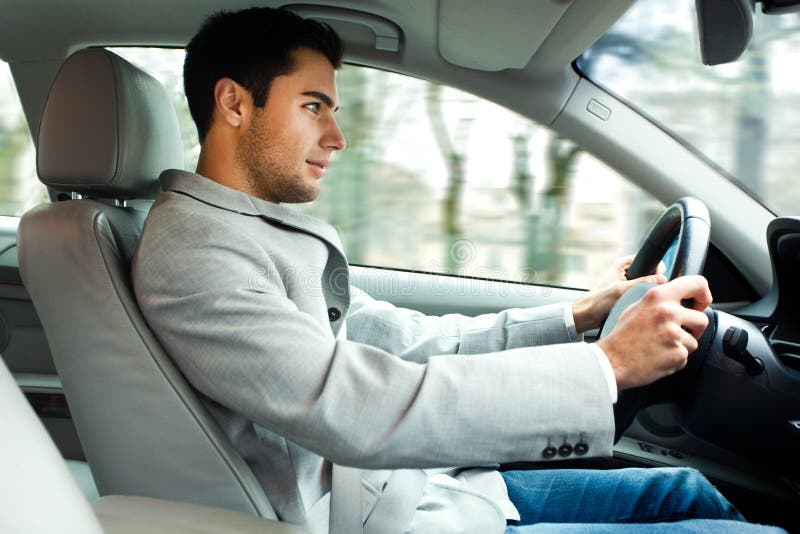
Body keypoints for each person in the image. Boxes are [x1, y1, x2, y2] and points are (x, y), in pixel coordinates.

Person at [131, 7, 784, 534]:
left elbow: (404, 341)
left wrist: (579, 315)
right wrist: (608, 366)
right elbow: (354, 405)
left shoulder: (243, 230)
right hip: (379, 516)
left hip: (416, 490)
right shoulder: (194, 254)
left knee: (682, 487)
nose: (337, 137)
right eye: (312, 106)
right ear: (234, 103)